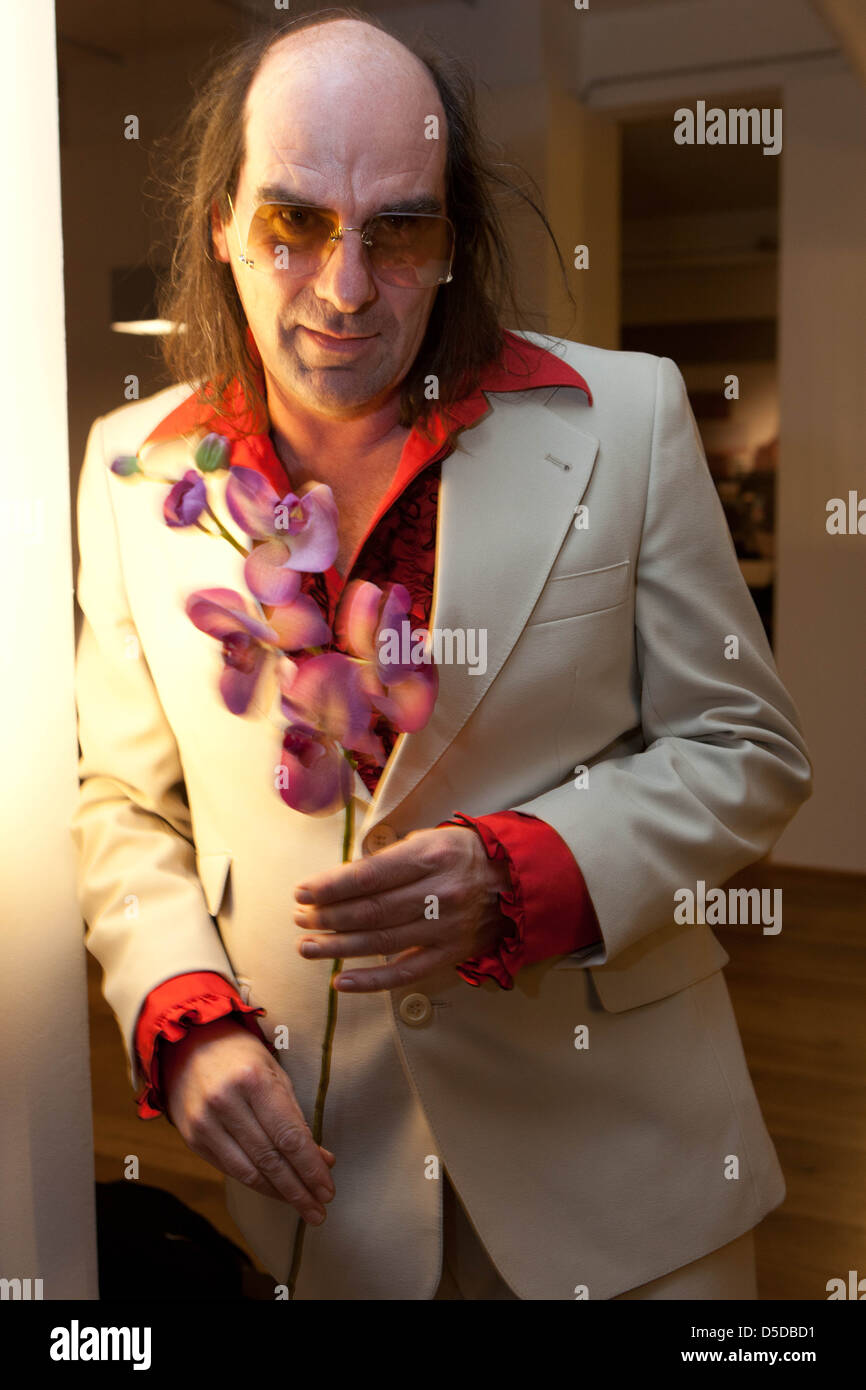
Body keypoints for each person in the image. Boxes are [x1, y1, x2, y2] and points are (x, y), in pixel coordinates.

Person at [71, 10, 812, 1301]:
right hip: (315, 1174)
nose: (345, 287)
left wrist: (528, 871)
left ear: (451, 243)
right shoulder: (131, 467)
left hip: (624, 1167)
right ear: (222, 227)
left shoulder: (621, 419)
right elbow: (119, 800)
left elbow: (745, 747)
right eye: (292, 223)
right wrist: (180, 1003)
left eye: (397, 229)